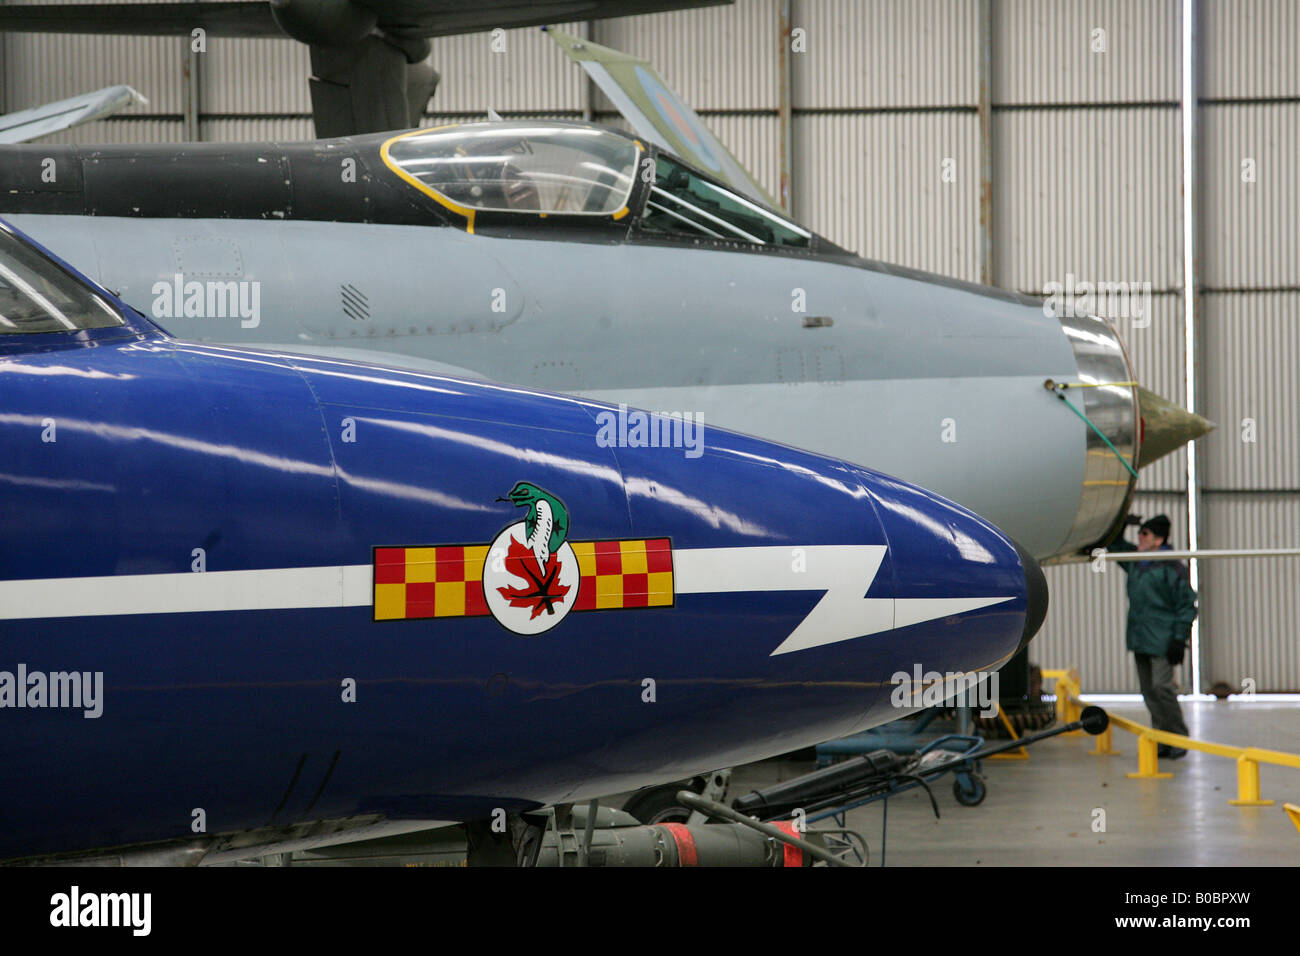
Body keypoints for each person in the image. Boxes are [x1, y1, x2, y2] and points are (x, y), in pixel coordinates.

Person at [1108, 514, 1198, 759]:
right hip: (1140, 638)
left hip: (1162, 640)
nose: (1139, 537)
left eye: (1145, 534)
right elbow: (1114, 546)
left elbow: (1187, 605)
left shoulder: (1171, 567)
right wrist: (1122, 523)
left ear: (1159, 539)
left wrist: (1179, 639)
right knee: (1149, 691)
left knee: (1162, 688)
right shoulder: (1136, 562)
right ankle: (1161, 738)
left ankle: (1178, 737)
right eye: (1140, 533)